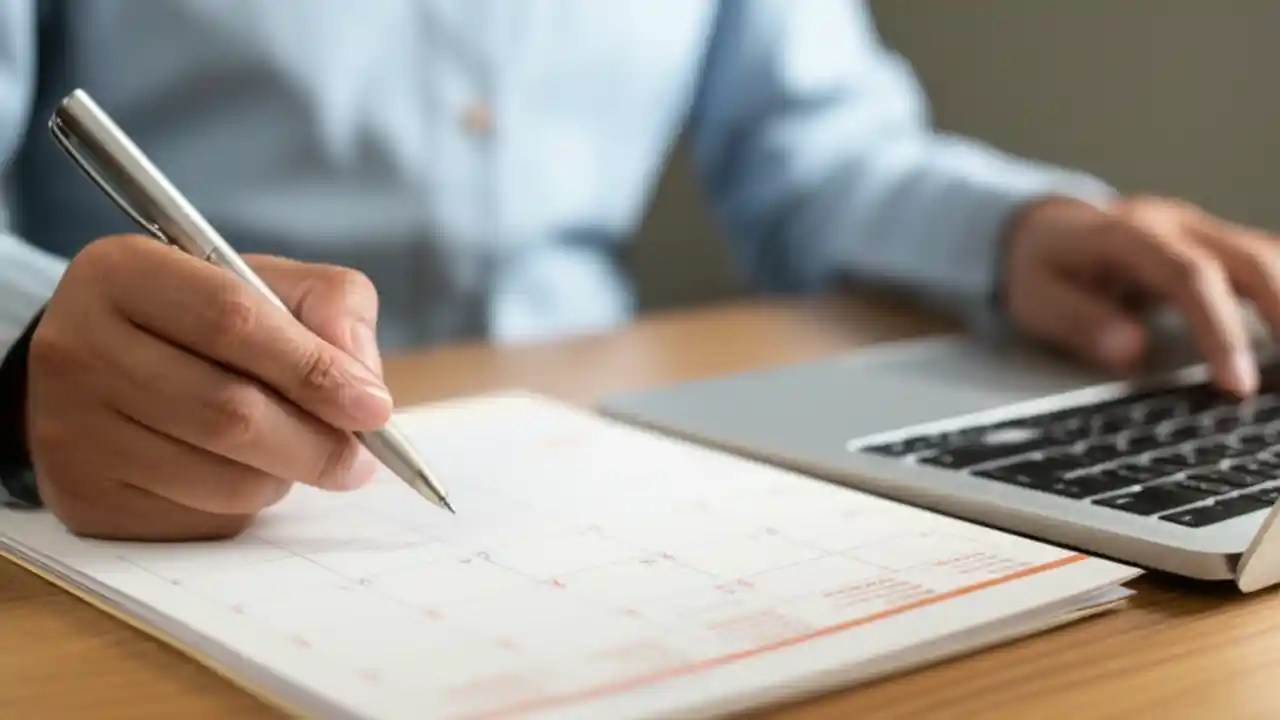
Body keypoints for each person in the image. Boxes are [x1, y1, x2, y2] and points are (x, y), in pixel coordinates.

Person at [0, 1, 1275, 540]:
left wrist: (1015, 232)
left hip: (594, 456)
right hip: (134, 472)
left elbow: (816, 149)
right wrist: (27, 347)